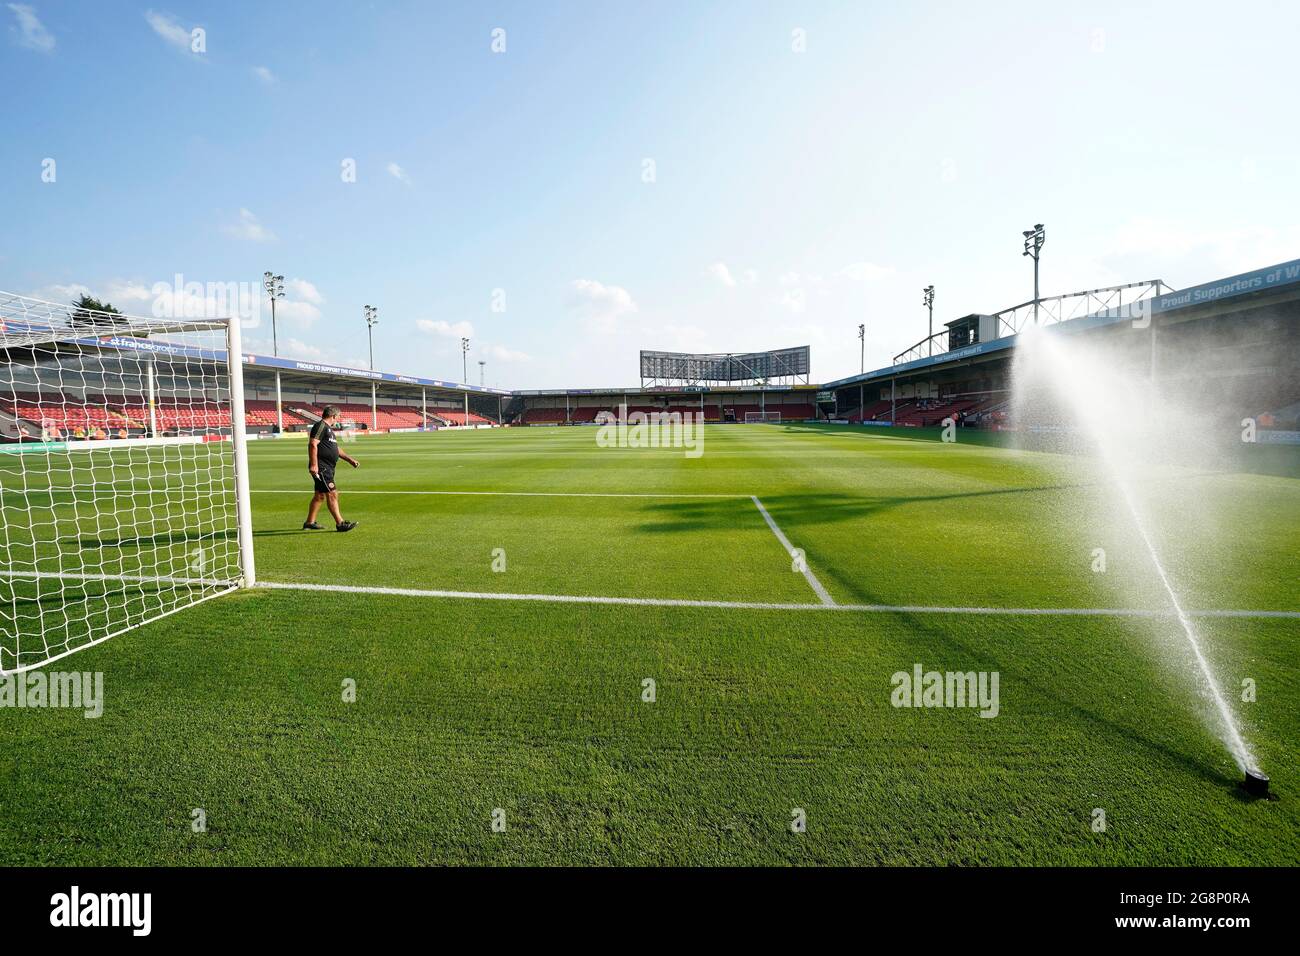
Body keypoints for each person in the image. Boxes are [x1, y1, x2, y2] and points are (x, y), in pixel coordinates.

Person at [304, 406, 359, 532]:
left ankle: (309, 522)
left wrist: (349, 459)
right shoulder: (321, 426)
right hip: (321, 467)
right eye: (337, 417)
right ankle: (340, 523)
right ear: (333, 416)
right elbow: (313, 444)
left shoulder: (328, 429)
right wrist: (314, 465)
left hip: (327, 467)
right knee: (332, 493)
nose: (337, 419)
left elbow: (335, 448)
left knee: (320, 495)